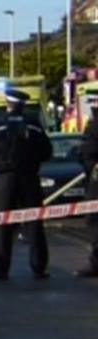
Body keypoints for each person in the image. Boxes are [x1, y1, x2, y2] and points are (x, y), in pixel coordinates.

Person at [0, 88, 53, 280]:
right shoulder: (34, 125)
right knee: (34, 222)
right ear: (23, 105)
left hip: (5, 179)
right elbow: (47, 151)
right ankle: (39, 266)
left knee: (2, 224)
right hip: (30, 178)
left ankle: (0, 268)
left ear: (8, 104)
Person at [77, 95, 98, 277]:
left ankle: (96, 263)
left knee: (94, 222)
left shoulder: (94, 125)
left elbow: (88, 151)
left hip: (96, 183)